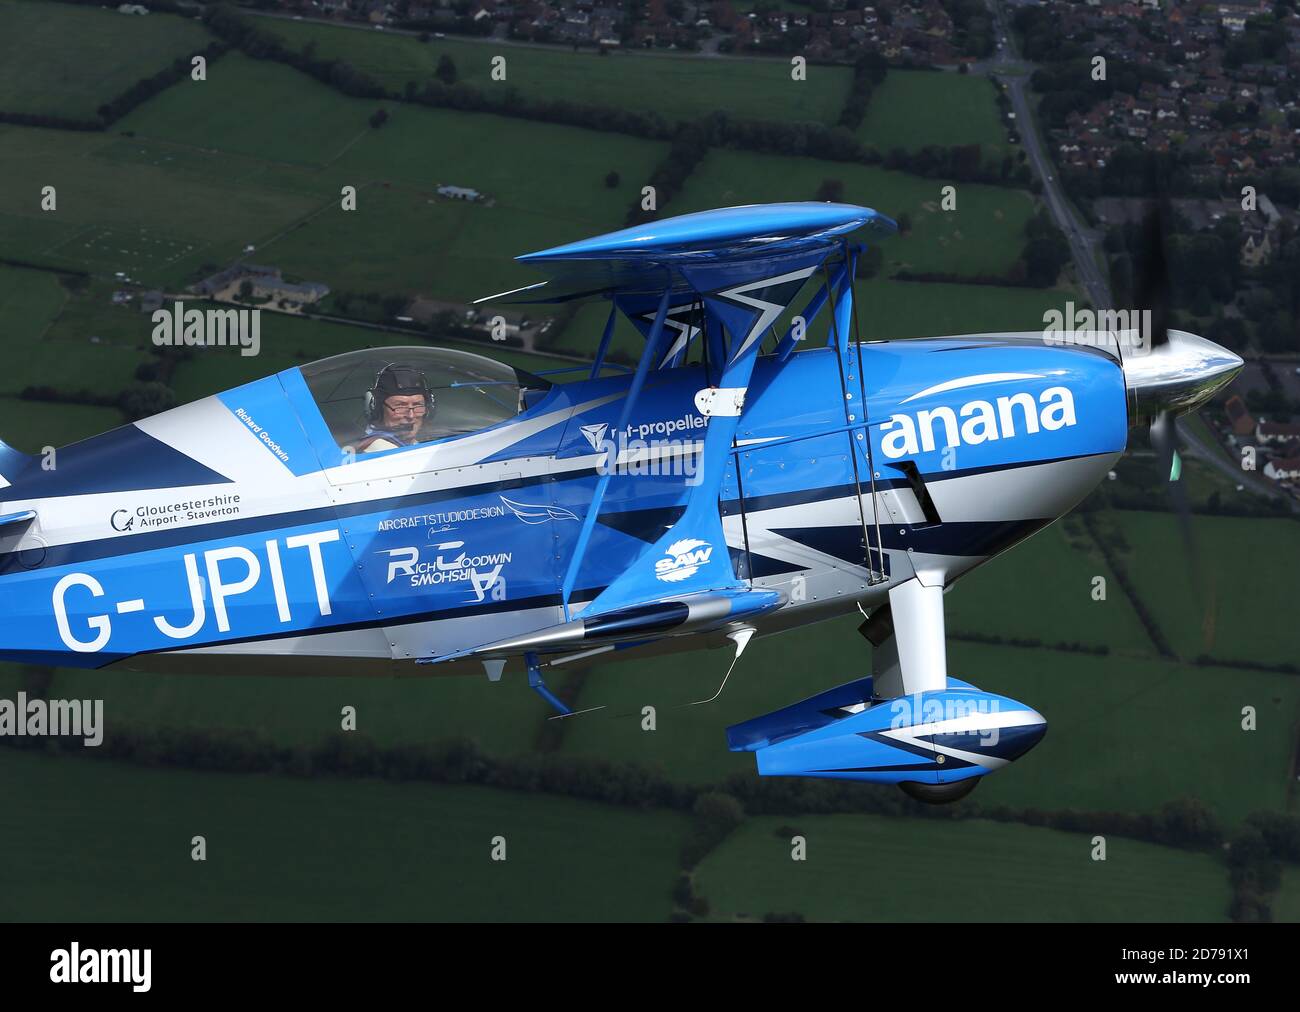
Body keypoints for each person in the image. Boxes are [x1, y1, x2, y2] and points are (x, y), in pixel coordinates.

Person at [355, 363, 435, 453]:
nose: (411, 416)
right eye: (400, 406)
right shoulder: (378, 451)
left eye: (418, 405)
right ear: (376, 409)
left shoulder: (418, 446)